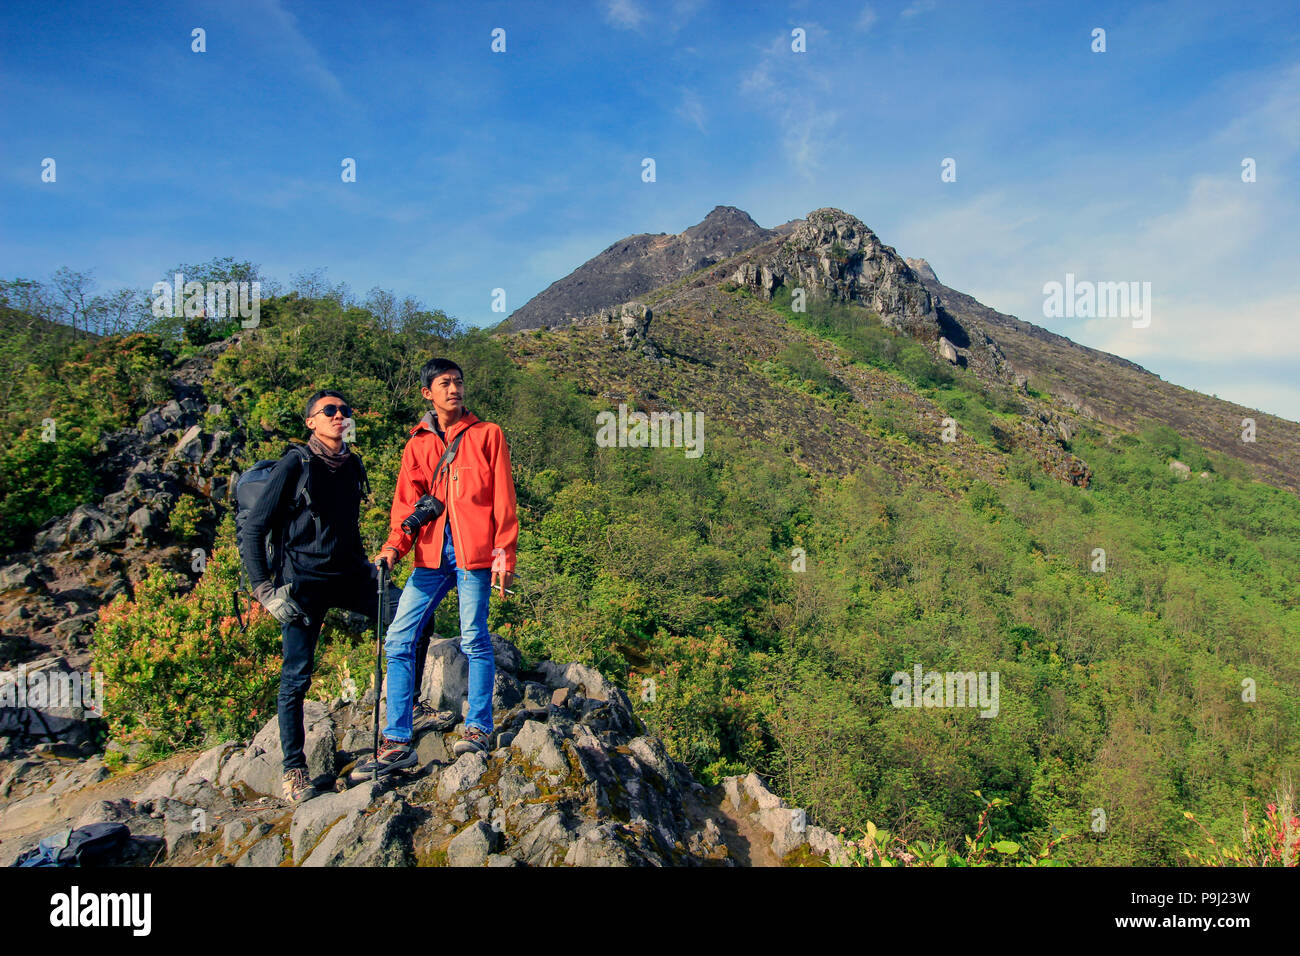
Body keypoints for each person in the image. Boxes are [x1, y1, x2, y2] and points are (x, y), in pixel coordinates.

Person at [354, 358, 517, 777]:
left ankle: (479, 727)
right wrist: (394, 547)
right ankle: (397, 739)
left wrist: (504, 553)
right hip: (430, 553)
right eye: (444, 383)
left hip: (473, 552)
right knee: (398, 638)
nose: (454, 389)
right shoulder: (417, 444)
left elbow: (503, 499)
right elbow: (407, 506)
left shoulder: (487, 434)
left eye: (459, 382)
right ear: (428, 393)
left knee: (474, 638)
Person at [239, 389, 396, 803]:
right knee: (297, 676)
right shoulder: (296, 463)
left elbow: (347, 524)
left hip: (350, 576)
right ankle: (294, 770)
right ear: (311, 421)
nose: (339, 416)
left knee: (410, 615)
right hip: (302, 584)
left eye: (345, 410)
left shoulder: (352, 464)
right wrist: (264, 591)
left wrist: (369, 563)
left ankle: (408, 711)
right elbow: (254, 529)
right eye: (329, 411)